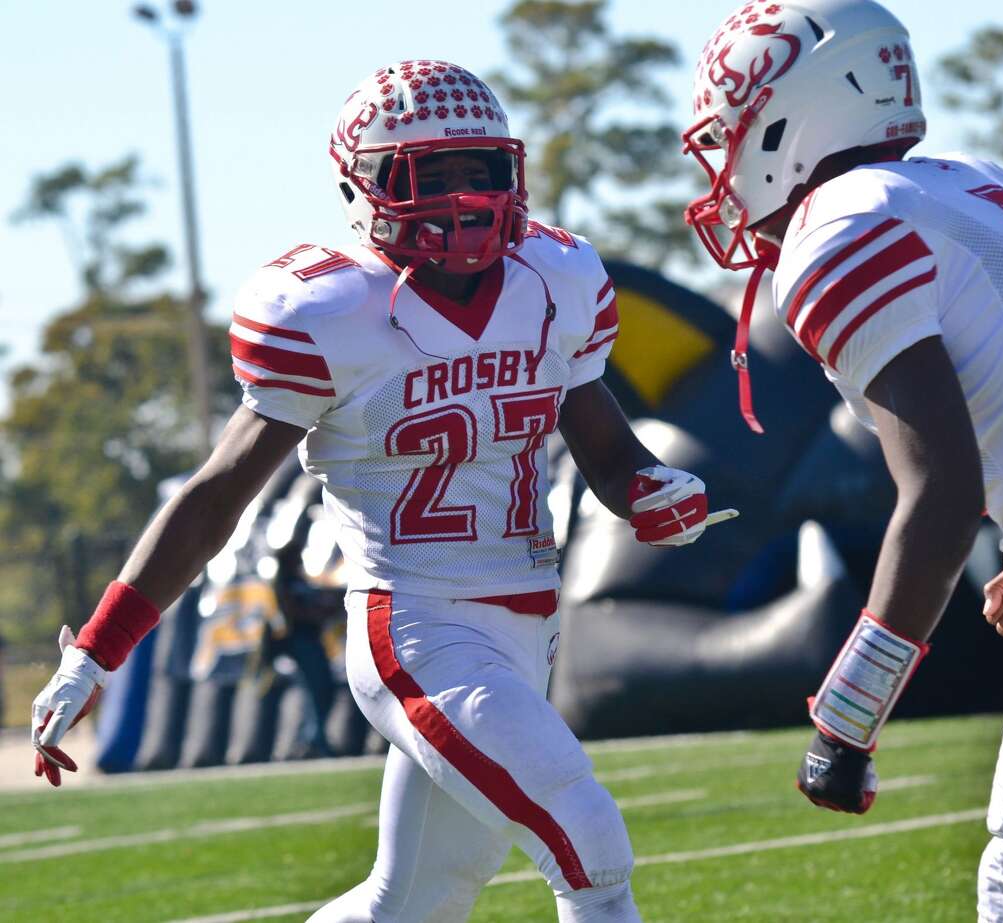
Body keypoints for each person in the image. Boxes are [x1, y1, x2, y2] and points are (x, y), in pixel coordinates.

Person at [30, 60, 720, 923]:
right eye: (432, 173)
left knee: (414, 901)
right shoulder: (329, 309)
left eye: (483, 168)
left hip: (528, 627)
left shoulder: (557, 278)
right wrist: (95, 651)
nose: (465, 197)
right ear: (364, 183)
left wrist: (652, 490)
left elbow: (609, 454)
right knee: (590, 847)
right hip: (418, 625)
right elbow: (217, 494)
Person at [681, 2, 1003, 921]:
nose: (723, 167)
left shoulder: (835, 230)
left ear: (793, 116)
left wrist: (849, 715)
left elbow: (943, 490)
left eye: (732, 132)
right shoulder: (963, 180)